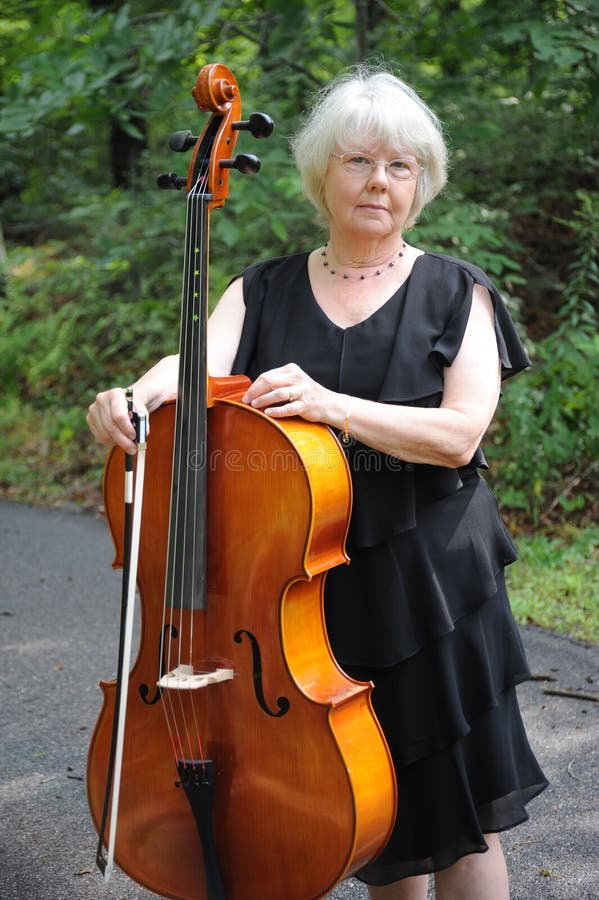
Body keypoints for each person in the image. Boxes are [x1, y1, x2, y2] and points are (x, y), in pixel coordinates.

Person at [87, 66, 547, 900]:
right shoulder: (258, 287)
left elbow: (458, 437)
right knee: (371, 821)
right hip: (300, 586)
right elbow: (190, 366)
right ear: (320, 174)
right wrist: (132, 397)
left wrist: (334, 404)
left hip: (428, 579)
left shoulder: (454, 290)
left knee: (455, 816)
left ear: (422, 183)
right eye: (358, 161)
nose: (378, 181)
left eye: (400, 167)